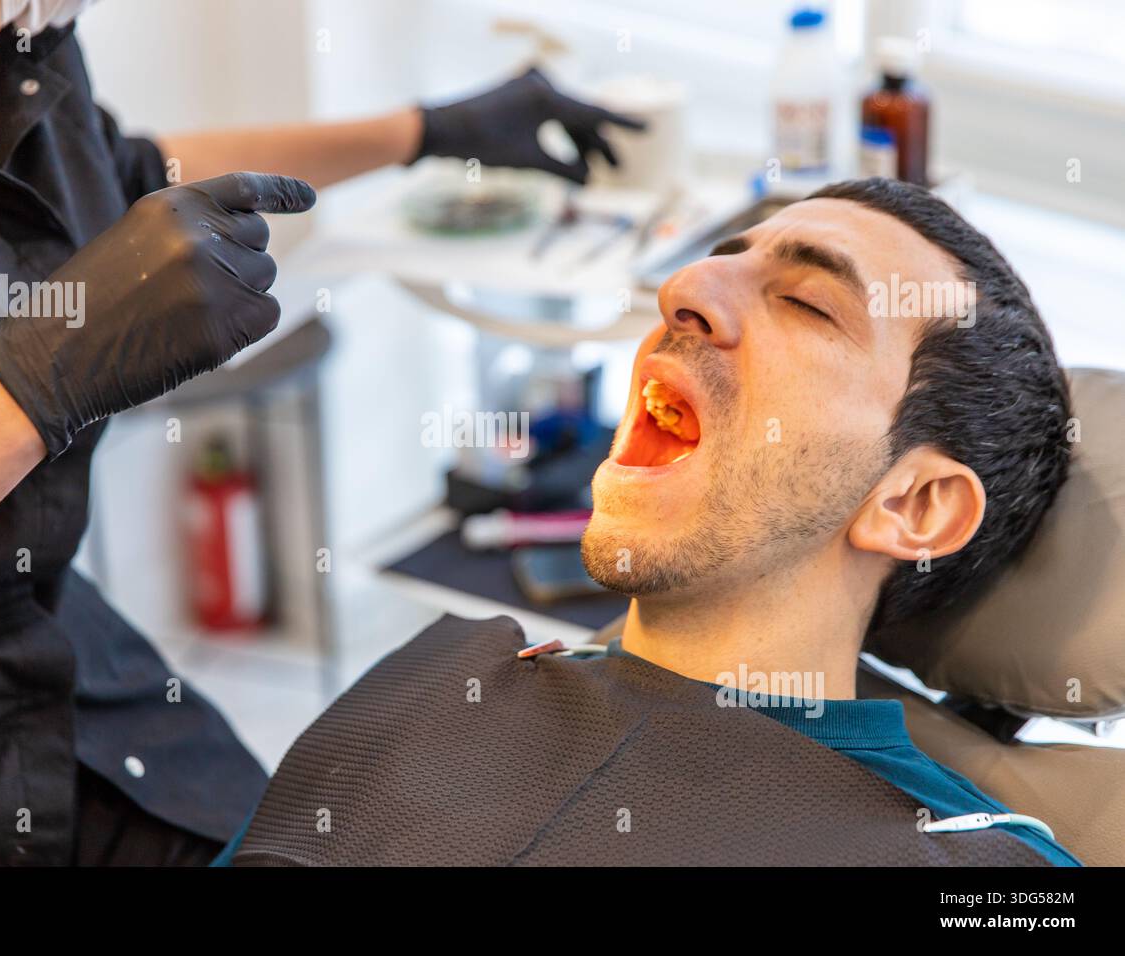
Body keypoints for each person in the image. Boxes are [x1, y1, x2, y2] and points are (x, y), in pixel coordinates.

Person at [0, 0, 642, 865]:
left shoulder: (23, 48)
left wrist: (426, 133)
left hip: (70, 677)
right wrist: (34, 380)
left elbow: (130, 177)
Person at [231, 177, 1081, 866]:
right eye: (720, 259)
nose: (682, 288)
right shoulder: (440, 676)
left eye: (809, 303)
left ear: (913, 505)